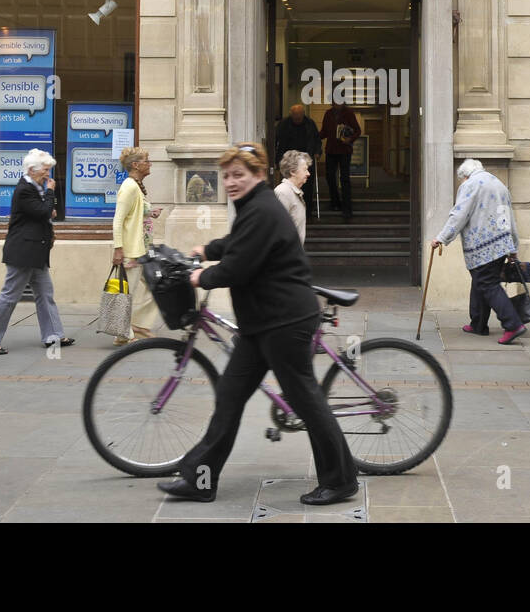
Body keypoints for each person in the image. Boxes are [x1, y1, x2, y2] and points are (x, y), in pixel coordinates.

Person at [157, 143, 359, 506]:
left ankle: (340, 480)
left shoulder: (263, 209)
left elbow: (239, 267)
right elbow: (237, 244)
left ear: (260, 175)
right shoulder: (254, 208)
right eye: (228, 175)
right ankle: (200, 479)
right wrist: (205, 250)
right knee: (229, 397)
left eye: (240, 175)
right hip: (260, 325)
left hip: (285, 323)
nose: (231, 182)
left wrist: (197, 278)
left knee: (308, 402)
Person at [0, 149, 73, 354]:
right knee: (10, 296)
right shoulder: (25, 189)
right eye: (45, 170)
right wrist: (50, 193)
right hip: (24, 250)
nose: (48, 175)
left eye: (49, 170)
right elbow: (42, 211)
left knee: (45, 294)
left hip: (36, 250)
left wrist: (50, 200)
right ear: (31, 170)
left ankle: (53, 335)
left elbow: (50, 209)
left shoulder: (37, 188)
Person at [431, 159, 525, 344]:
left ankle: (512, 324)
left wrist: (441, 237)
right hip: (501, 244)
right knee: (480, 282)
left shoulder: (470, 185)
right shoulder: (499, 184)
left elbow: (459, 214)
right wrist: (513, 245)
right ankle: (478, 324)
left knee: (487, 283)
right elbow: (509, 216)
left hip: (482, 245)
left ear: (464, 176)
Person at [111, 146, 162, 345]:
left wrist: (150, 211)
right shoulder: (129, 186)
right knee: (126, 294)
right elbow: (118, 219)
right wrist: (118, 249)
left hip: (143, 250)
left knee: (156, 286)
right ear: (135, 165)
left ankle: (138, 325)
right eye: (146, 161)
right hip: (131, 251)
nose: (150, 164)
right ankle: (123, 334)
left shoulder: (136, 186)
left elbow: (136, 211)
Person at [275, 104, 322, 218]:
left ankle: (308, 213)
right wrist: (277, 160)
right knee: (289, 186)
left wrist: (317, 152)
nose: (297, 120)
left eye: (299, 117)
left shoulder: (310, 124)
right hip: (289, 161)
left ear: (303, 114)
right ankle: (288, 213)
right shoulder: (284, 124)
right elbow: (276, 141)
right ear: (291, 115)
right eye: (295, 117)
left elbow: (317, 139)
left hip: (306, 160)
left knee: (307, 186)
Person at [319, 100, 361, 222]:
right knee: (330, 177)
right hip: (331, 150)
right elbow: (324, 132)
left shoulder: (349, 113)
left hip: (344, 150)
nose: (337, 103)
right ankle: (335, 202)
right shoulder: (328, 114)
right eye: (334, 101)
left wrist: (350, 139)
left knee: (344, 179)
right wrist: (315, 136)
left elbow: (358, 130)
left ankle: (347, 208)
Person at [275, 149, 311, 243]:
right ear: (292, 172)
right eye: (305, 169)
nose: (308, 173)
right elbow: (277, 230)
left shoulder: (294, 192)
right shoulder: (283, 192)